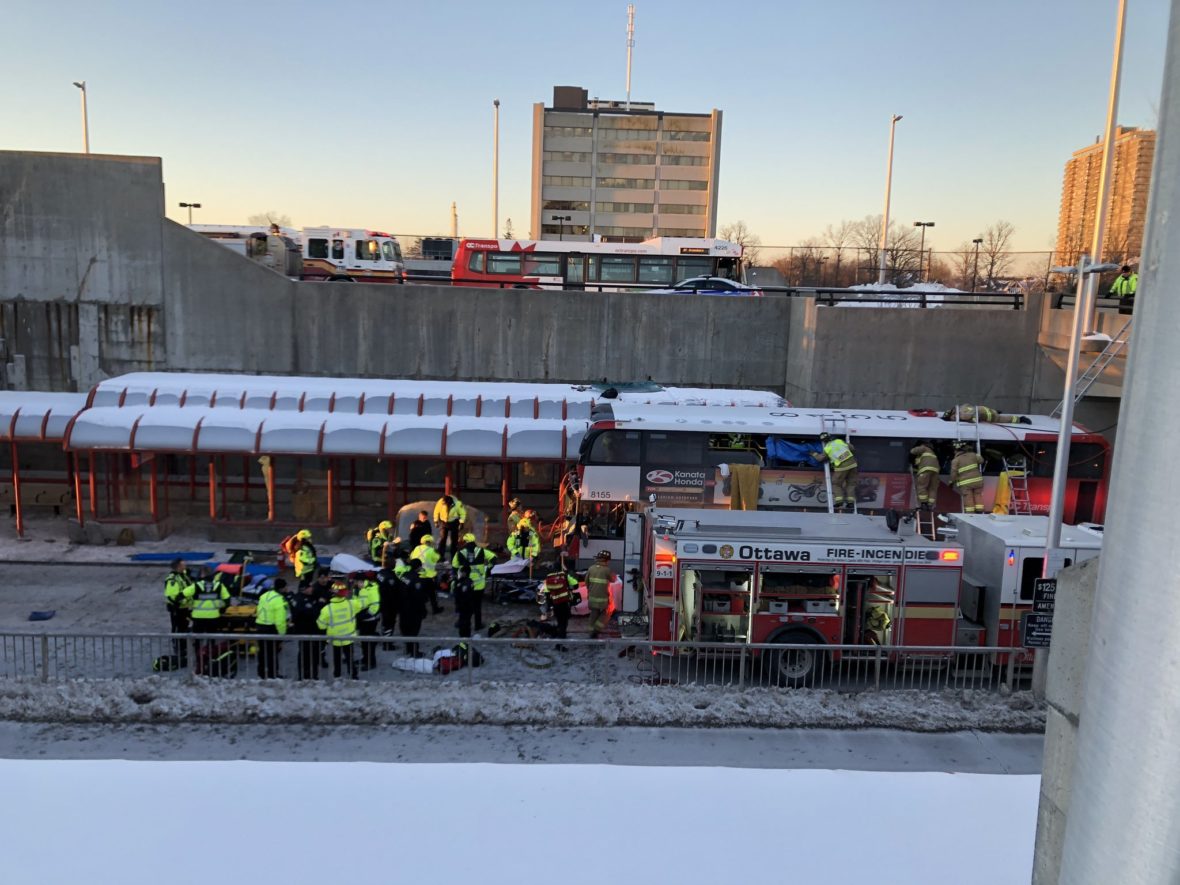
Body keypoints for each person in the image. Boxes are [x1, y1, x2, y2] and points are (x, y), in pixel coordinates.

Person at [317, 582, 364, 679]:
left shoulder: (327, 609)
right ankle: (354, 676)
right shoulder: (351, 604)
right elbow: (361, 604)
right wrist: (358, 590)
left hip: (335, 640)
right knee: (350, 658)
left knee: (336, 659)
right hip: (349, 638)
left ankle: (337, 676)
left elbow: (321, 626)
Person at [452, 533, 497, 631]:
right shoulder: (481, 551)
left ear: (465, 542)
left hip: (465, 585)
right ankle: (478, 624)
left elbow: (454, 567)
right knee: (477, 606)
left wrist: (457, 580)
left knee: (463, 605)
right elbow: (494, 558)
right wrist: (488, 570)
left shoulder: (459, 553)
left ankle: (461, 623)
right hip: (479, 585)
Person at [811, 432, 858, 512]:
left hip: (841, 467)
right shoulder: (839, 441)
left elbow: (820, 459)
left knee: (836, 484)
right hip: (853, 465)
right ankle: (850, 503)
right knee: (851, 484)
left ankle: (839, 501)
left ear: (823, 441)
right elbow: (852, 448)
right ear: (830, 437)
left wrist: (814, 454)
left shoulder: (827, 448)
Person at [254, 578, 289, 679]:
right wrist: (282, 635)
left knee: (262, 652)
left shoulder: (265, 595)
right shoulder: (280, 600)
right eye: (286, 586)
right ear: (282, 588)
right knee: (272, 653)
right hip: (271, 628)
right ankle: (273, 674)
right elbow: (280, 621)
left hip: (260, 626)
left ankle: (261, 673)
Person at [289, 580, 324, 681]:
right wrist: (319, 604)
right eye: (309, 587)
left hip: (312, 632)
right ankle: (304, 675)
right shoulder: (300, 600)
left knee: (313, 654)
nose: (312, 589)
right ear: (304, 589)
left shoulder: (310, 596)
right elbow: (311, 613)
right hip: (305, 632)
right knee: (305, 654)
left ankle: (313, 675)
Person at [164, 559, 193, 666]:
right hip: (177, 609)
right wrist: (183, 602)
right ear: (178, 567)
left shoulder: (183, 575)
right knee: (178, 628)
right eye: (183, 565)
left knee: (184, 627)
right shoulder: (173, 579)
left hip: (185, 608)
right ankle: (178, 649)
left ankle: (183, 646)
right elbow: (172, 596)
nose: (185, 566)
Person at [540, 561, 579, 641]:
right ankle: (562, 637)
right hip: (565, 603)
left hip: (555, 603)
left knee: (559, 620)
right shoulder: (565, 576)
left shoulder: (548, 578)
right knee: (564, 621)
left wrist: (549, 606)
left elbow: (547, 593)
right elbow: (576, 585)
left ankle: (560, 634)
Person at [398, 560, 429, 658]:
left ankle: (408, 648)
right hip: (413, 609)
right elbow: (419, 597)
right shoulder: (417, 580)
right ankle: (414, 652)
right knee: (413, 631)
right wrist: (423, 609)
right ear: (418, 567)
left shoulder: (404, 576)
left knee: (405, 629)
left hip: (403, 608)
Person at [410, 534, 444, 614]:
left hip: (417, 575)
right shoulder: (431, 550)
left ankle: (418, 609)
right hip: (428, 576)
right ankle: (435, 609)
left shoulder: (416, 548)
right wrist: (436, 550)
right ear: (430, 542)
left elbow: (411, 557)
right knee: (432, 594)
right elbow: (437, 558)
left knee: (418, 594)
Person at [949, 441, 986, 514]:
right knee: (978, 495)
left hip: (966, 483)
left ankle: (970, 514)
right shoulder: (973, 455)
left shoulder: (955, 460)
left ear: (956, 451)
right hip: (978, 481)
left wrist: (951, 482)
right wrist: (975, 454)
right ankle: (980, 511)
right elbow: (981, 461)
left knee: (968, 497)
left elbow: (953, 473)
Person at [356, 571, 382, 671]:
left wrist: (367, 614)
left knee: (368, 642)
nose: (356, 584)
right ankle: (365, 659)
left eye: (358, 582)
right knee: (364, 641)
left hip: (370, 620)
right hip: (364, 619)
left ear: (362, 581)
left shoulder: (371, 589)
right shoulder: (362, 589)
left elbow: (375, 605)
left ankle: (371, 662)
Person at [585, 550, 614, 639]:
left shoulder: (591, 568)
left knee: (594, 613)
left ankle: (591, 632)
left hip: (592, 597)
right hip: (602, 599)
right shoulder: (607, 570)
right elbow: (613, 579)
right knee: (607, 612)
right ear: (606, 560)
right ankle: (596, 630)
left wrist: (590, 590)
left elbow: (586, 582)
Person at [433, 494, 467, 561]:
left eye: (446, 504)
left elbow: (463, 513)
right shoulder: (440, 502)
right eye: (444, 504)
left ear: (450, 502)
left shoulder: (458, 503)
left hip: (454, 522)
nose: (445, 505)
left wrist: (461, 522)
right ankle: (440, 556)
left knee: (454, 540)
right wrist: (436, 521)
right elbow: (436, 511)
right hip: (444, 522)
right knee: (443, 539)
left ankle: (454, 556)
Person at [909, 442, 940, 511]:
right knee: (933, 488)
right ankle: (930, 505)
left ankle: (924, 504)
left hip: (925, 471)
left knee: (922, 487)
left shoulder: (924, 448)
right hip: (935, 472)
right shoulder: (932, 453)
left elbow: (913, 451)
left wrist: (912, 451)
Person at [940, 405, 1031, 425]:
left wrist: (974, 421)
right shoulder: (962, 407)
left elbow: (974, 415)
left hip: (987, 415)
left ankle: (1021, 419)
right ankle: (996, 411)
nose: (953, 419)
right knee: (1002, 418)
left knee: (1004, 419)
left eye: (951, 418)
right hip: (985, 409)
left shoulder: (961, 415)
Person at [452, 567, 476, 638]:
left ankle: (466, 635)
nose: (460, 574)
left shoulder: (468, 582)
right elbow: (456, 592)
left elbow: (467, 595)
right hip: (462, 606)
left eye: (461, 572)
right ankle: (463, 634)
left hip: (466, 606)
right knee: (463, 620)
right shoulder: (459, 581)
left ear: (465, 573)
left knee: (466, 622)